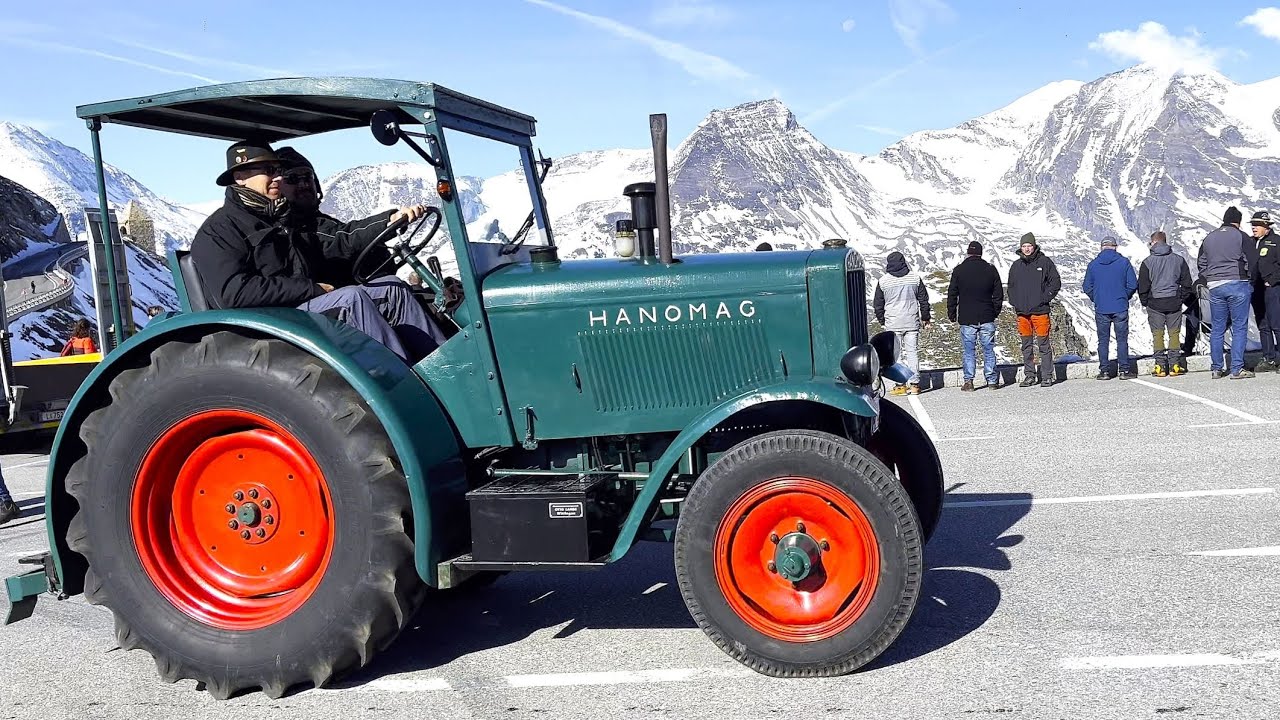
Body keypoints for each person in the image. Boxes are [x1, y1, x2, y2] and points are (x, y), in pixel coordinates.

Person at [190, 141, 444, 363]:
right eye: (269, 171)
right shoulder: (219, 230)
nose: (277, 177)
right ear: (240, 177)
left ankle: (447, 373)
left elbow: (337, 239)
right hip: (270, 321)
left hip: (301, 307)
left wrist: (388, 222)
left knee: (391, 289)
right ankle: (406, 387)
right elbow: (234, 293)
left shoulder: (280, 218)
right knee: (351, 300)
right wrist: (312, 289)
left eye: (278, 171)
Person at [1198, 206, 1254, 379]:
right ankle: (1236, 369)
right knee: (1239, 327)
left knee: (1217, 327)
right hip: (1237, 282)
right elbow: (1251, 260)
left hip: (1215, 286)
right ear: (1238, 222)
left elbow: (1201, 263)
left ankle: (1216, 368)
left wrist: (1209, 278)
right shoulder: (1240, 236)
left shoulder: (1209, 238)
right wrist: (1249, 278)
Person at [947, 240, 1003, 391]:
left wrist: (952, 313)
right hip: (986, 315)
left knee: (969, 351)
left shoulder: (959, 270)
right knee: (988, 349)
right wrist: (994, 311)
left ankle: (969, 381)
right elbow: (998, 294)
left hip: (967, 317)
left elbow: (952, 293)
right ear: (980, 253)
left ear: (968, 252)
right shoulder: (990, 269)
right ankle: (991, 381)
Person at [1007, 232, 1061, 387]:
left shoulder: (1044, 262)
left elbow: (1055, 282)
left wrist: (1045, 298)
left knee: (1043, 345)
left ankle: (1047, 376)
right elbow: (1011, 286)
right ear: (1020, 248)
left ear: (1034, 246)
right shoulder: (1016, 266)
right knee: (1026, 346)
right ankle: (1030, 375)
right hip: (1022, 314)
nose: (1027, 249)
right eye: (1024, 246)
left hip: (1040, 311)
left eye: (1029, 246)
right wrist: (1014, 302)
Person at [873, 251, 931, 395]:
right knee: (912, 352)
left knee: (895, 355)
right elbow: (923, 300)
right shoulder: (914, 278)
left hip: (893, 322)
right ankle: (915, 384)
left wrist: (882, 320)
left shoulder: (884, 281)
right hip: (912, 321)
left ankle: (900, 384)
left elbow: (878, 304)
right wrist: (925, 318)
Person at [1082, 236, 1138, 379]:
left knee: (1103, 340)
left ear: (1102, 247)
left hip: (1101, 307)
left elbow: (1087, 287)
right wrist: (1123, 296)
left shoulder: (1093, 265)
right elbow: (1132, 284)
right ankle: (1124, 370)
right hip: (1120, 306)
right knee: (1121, 340)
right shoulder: (1124, 262)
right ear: (1115, 247)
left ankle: (1105, 371)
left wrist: (1097, 298)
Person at [1138, 231, 1193, 377]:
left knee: (1158, 334)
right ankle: (1175, 365)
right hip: (1174, 302)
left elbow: (1143, 286)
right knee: (1174, 333)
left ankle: (1160, 366)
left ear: (1154, 243)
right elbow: (1187, 283)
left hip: (1155, 303)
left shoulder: (1147, 262)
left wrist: (1146, 302)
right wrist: (1180, 298)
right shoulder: (1179, 260)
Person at [1252, 211, 1280, 373]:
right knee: (1263, 325)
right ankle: (1268, 358)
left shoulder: (1276, 242)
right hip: (1256, 290)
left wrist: (1274, 280)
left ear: (1266, 227)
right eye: (1253, 225)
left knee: (1277, 324)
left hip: (1272, 289)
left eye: (1258, 225)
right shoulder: (1251, 242)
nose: (1254, 228)